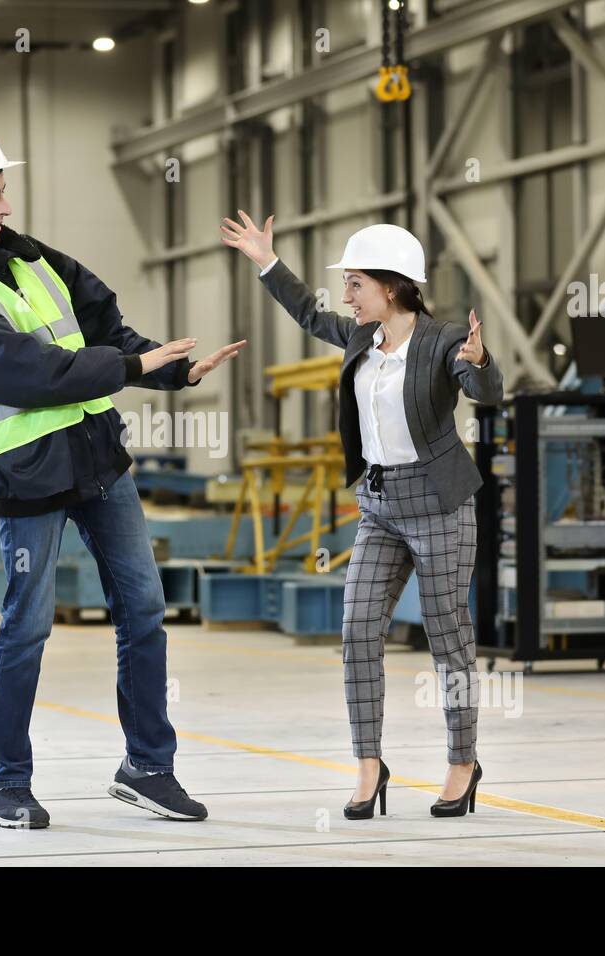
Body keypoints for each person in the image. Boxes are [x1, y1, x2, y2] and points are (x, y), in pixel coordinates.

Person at [0, 122, 245, 829]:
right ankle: (7, 785)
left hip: (97, 460)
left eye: (4, 194)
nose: (4, 208)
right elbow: (27, 372)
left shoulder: (33, 260)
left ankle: (148, 767)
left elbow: (105, 328)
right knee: (26, 628)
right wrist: (131, 367)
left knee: (144, 609)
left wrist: (175, 367)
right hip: (28, 476)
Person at [221, 211, 503, 820]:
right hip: (378, 506)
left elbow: (486, 391)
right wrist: (266, 260)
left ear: (393, 286)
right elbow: (306, 311)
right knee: (356, 632)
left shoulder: (446, 340)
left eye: (355, 283)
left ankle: (462, 762)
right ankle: (370, 765)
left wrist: (479, 364)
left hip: (439, 505)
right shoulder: (358, 338)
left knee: (448, 637)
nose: (345, 295)